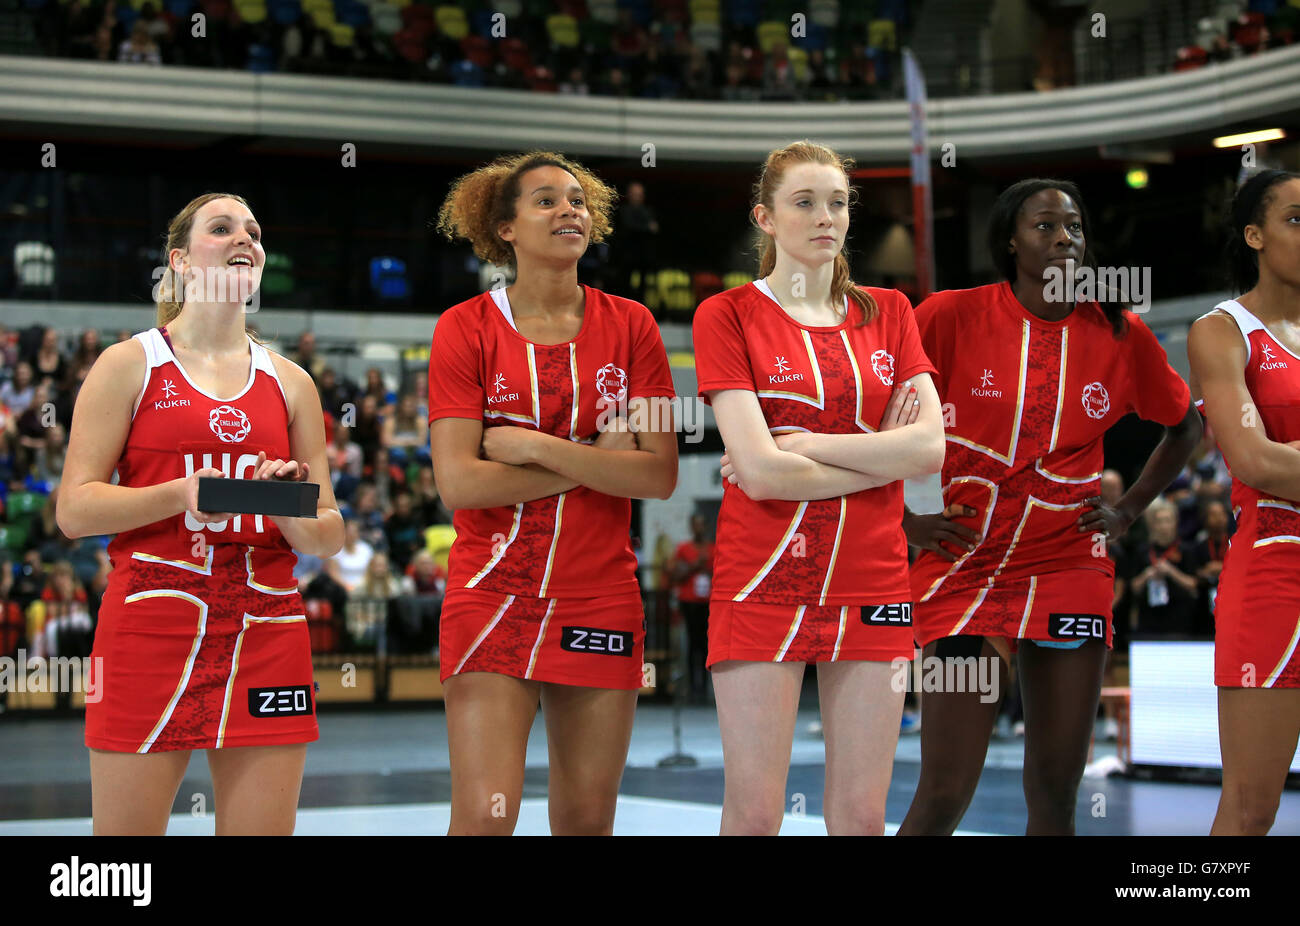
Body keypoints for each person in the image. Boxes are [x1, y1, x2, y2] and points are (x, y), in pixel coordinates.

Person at [899, 178, 1201, 836]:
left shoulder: (1119, 331)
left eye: (1075, 228)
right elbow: (870, 415)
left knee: (1056, 793)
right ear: (1010, 242)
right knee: (943, 792)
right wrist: (903, 521)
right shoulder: (948, 316)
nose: (1065, 238)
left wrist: (1127, 512)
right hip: (964, 565)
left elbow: (1185, 427)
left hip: (1070, 563)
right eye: (1045, 226)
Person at [56, 193, 343, 835]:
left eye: (254, 232)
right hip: (151, 622)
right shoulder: (128, 363)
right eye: (222, 228)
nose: (245, 239)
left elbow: (328, 533)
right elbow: (74, 509)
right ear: (180, 260)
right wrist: (181, 493)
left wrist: (285, 505)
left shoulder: (291, 381)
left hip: (268, 625)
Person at [693, 140, 944, 836]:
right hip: (762, 575)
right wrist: (880, 456)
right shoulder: (726, 314)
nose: (824, 217)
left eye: (837, 202)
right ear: (766, 217)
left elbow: (929, 451)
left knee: (862, 818)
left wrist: (808, 447)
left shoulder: (891, 310)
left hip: (874, 577)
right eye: (803, 202)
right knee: (755, 815)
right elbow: (760, 473)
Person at [430, 150, 678, 835]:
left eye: (576, 200)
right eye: (546, 200)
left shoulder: (634, 325)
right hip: (490, 593)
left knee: (586, 824)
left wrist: (537, 447)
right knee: (484, 819)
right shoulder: (464, 327)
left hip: (601, 594)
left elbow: (657, 475)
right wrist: (598, 459)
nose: (569, 210)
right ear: (505, 228)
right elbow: (461, 483)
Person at [1186, 168, 1300, 835]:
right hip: (1275, 567)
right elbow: (1253, 460)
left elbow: (1278, 459)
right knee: (1253, 806)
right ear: (1255, 235)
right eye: (1296, 219)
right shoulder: (1223, 330)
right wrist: (1276, 461)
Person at [1128, 499, 1200, 636]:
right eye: (1159, 521)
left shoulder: (1186, 550)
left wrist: (1171, 571)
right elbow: (1134, 587)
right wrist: (1147, 575)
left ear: (1175, 523)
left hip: (1179, 618)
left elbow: (1193, 584)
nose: (1164, 526)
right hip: (1149, 618)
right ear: (1152, 524)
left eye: (1168, 520)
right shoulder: (1142, 551)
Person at [669, 513, 713, 703]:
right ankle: (691, 686)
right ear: (691, 527)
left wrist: (707, 569)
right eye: (696, 524)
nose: (699, 528)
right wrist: (695, 566)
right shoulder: (683, 549)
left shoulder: (714, 549)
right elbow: (675, 575)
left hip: (708, 602)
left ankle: (704, 687)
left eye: (702, 525)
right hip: (689, 602)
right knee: (691, 644)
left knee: (706, 645)